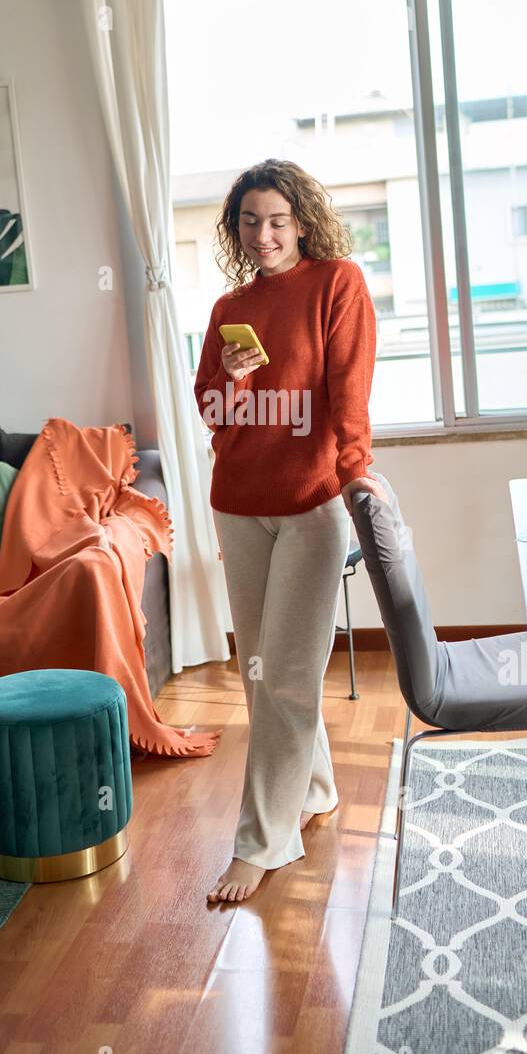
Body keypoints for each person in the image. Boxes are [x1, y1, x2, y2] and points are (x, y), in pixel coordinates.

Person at [193, 158, 387, 903]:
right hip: (238, 502)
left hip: (311, 504)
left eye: (277, 220)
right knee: (261, 670)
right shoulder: (226, 309)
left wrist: (355, 473)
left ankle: (261, 844)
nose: (264, 234)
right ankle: (312, 792)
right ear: (236, 229)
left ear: (302, 220)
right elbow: (211, 413)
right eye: (250, 221)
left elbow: (348, 388)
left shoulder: (338, 283)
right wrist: (234, 379)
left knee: (288, 675)